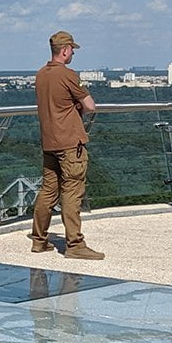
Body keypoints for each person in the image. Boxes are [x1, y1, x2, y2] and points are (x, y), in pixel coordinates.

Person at [30, 28, 103, 259]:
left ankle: (39, 240)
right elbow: (90, 106)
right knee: (72, 193)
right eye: (72, 49)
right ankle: (75, 245)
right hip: (70, 143)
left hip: (49, 142)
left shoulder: (41, 75)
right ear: (64, 50)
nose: (73, 53)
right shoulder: (68, 75)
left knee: (48, 191)